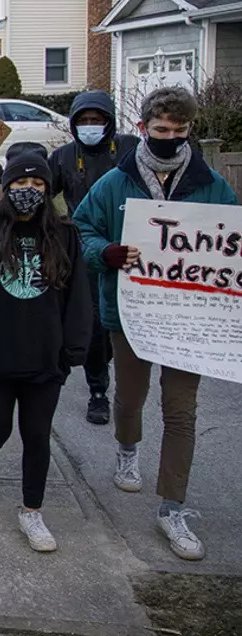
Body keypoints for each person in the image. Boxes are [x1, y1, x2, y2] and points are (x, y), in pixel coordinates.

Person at [74, 86, 238, 562]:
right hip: (130, 314)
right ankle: (128, 448)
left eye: (180, 131)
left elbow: (229, 240)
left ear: (190, 131)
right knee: (130, 396)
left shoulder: (211, 185)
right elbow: (84, 227)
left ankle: (173, 506)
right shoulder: (115, 183)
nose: (170, 138)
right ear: (143, 129)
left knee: (181, 410)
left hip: (191, 321)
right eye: (161, 130)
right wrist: (105, 253)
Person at [0, 151, 91, 553]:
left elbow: (77, 295)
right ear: (6, 186)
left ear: (48, 190)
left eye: (38, 185)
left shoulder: (64, 234)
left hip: (44, 357)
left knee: (37, 436)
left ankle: (32, 510)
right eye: (20, 183)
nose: (28, 191)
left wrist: (73, 348)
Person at [48, 91, 140, 426]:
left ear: (109, 121)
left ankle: (128, 381)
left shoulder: (129, 149)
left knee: (124, 322)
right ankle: (98, 390)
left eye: (97, 120)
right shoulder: (62, 157)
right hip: (86, 249)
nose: (90, 127)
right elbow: (45, 195)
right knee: (95, 324)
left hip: (131, 247)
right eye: (83, 121)